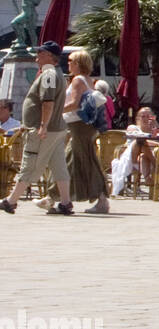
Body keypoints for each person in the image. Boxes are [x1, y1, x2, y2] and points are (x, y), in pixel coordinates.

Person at [0, 41, 73, 215]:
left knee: (30, 163)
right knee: (58, 166)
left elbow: (47, 102)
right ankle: (65, 202)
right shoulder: (57, 74)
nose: (36, 57)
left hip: (45, 129)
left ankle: (11, 201)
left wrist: (42, 125)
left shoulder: (48, 74)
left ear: (49, 56)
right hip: (57, 128)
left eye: (41, 53)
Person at [62, 49, 110, 214]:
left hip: (79, 125)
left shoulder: (77, 81)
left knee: (86, 160)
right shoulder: (89, 80)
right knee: (68, 160)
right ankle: (54, 195)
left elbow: (74, 103)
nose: (68, 63)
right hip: (83, 126)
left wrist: (56, 110)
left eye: (70, 61)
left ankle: (101, 198)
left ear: (77, 63)